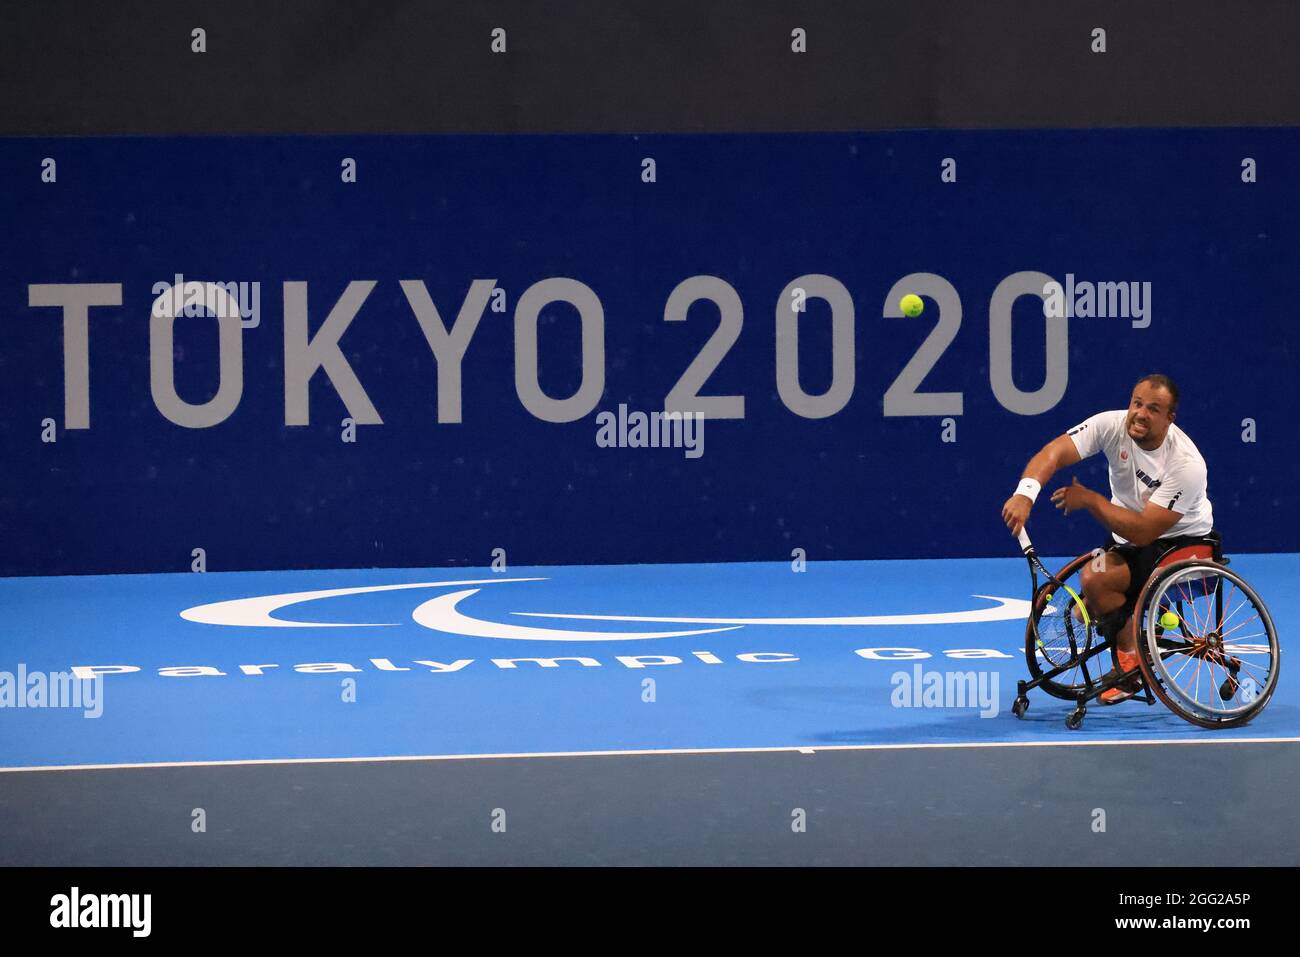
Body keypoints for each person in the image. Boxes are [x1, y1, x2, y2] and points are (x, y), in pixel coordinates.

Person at [1001, 374, 1216, 703]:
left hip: (1180, 547)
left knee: (1096, 580)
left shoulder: (1186, 465)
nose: (1140, 413)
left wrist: (1091, 501)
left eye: (1153, 409)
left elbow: (1144, 531)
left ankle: (1130, 669)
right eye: (1137, 403)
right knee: (1090, 597)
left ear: (1169, 419)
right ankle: (1132, 619)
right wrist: (1025, 493)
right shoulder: (1111, 425)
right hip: (1126, 541)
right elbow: (1055, 452)